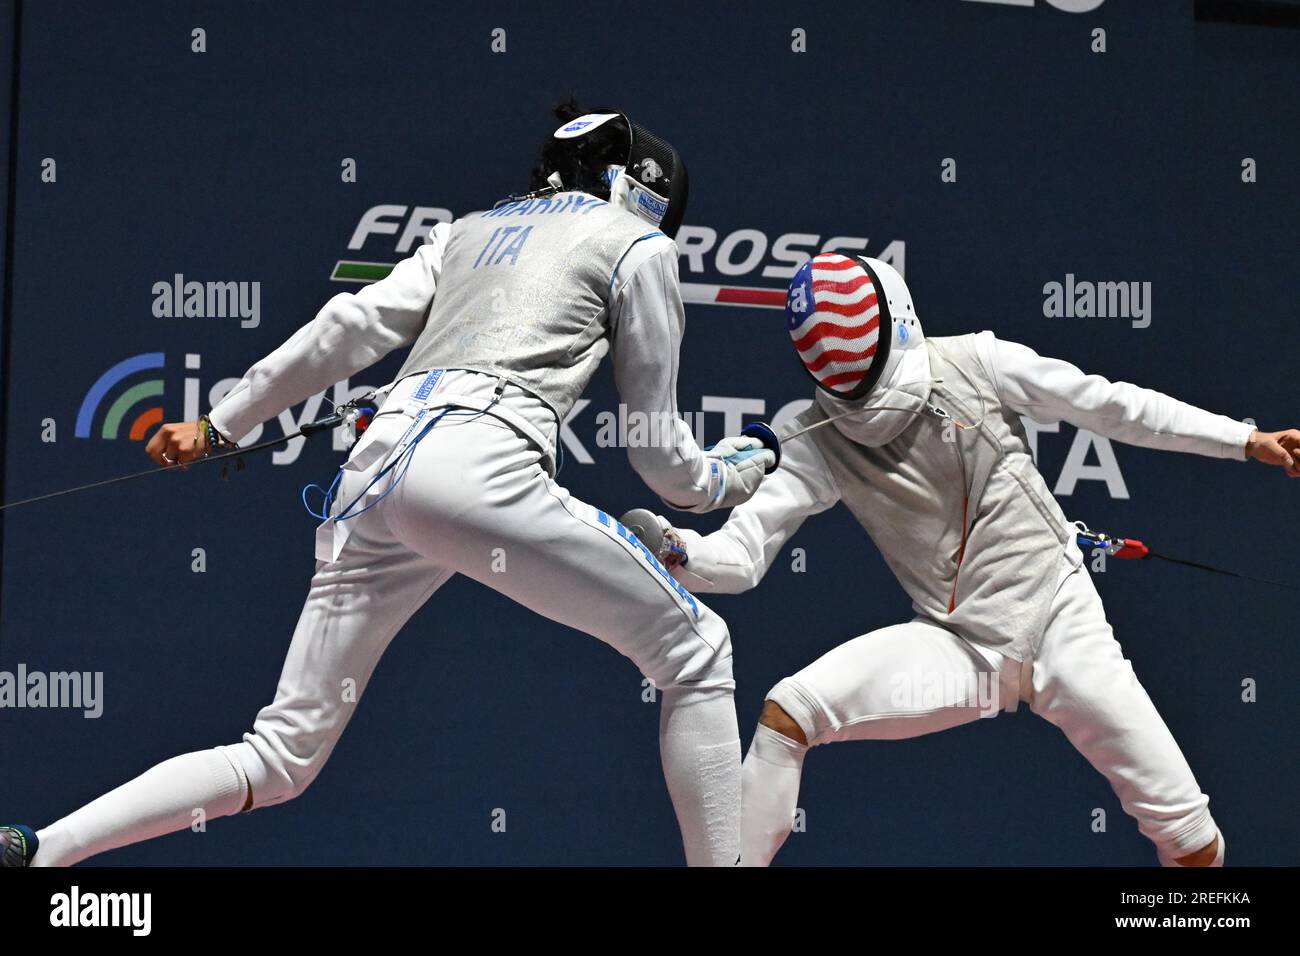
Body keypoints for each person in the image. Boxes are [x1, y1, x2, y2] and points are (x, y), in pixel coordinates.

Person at [0, 100, 775, 868]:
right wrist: (731, 474)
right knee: (700, 650)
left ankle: (41, 851)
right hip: (477, 470)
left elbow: (349, 327)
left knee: (278, 757)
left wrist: (221, 422)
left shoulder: (466, 231)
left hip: (372, 477)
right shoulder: (637, 245)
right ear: (639, 193)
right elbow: (661, 462)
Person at [641, 252, 1298, 866]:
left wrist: (1245, 439)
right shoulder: (811, 437)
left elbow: (1112, 405)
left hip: (1058, 622)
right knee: (790, 713)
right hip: (959, 649)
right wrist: (679, 551)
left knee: (1189, 840)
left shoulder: (976, 364)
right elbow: (742, 555)